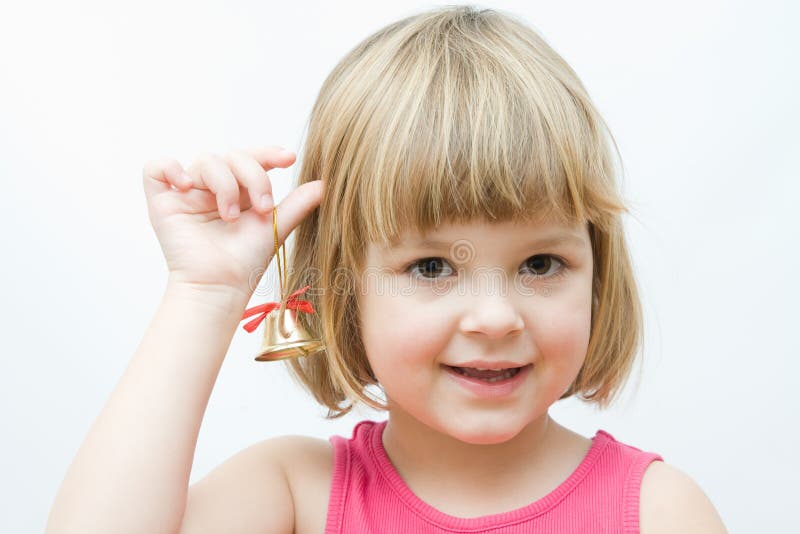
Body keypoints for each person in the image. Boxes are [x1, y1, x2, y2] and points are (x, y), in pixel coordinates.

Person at [45, 5, 728, 534]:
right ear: (343, 292)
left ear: (598, 278)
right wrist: (203, 296)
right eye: (431, 266)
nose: (495, 317)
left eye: (541, 262)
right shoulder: (293, 495)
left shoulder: (658, 512)